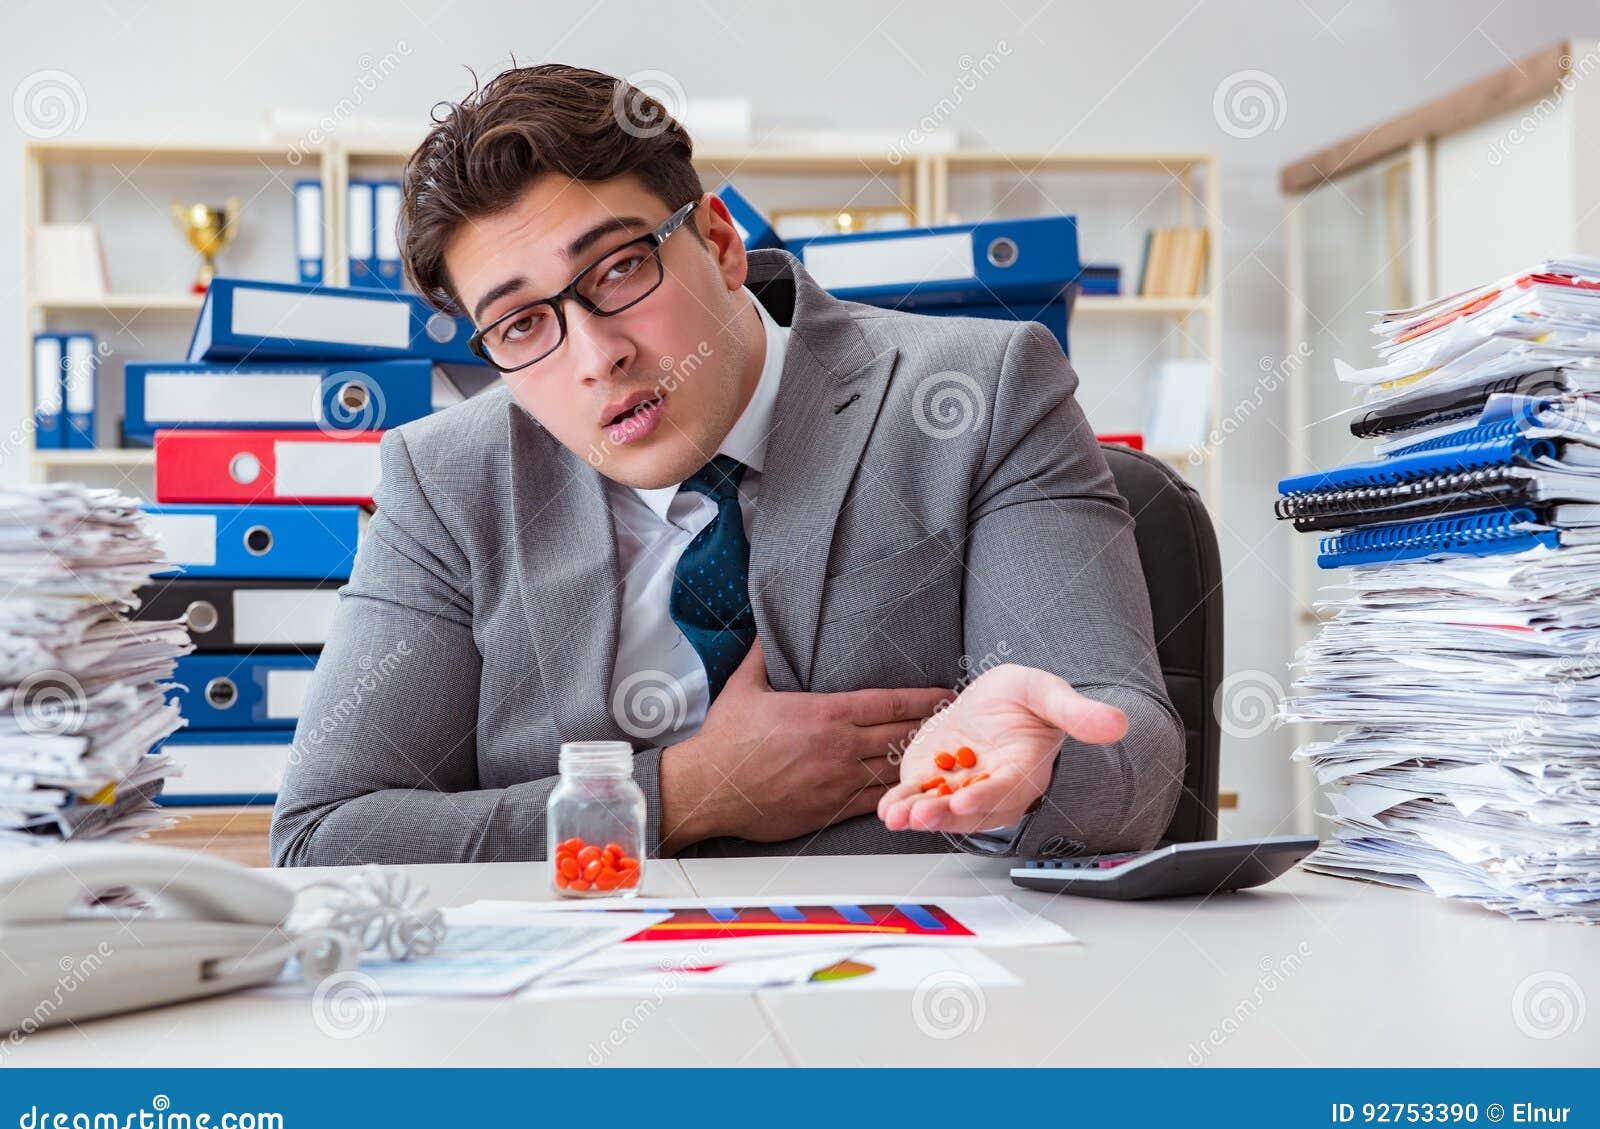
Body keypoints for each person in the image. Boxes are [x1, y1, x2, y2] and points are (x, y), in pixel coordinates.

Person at [269, 63, 1185, 867]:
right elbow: (325, 836)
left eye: (620, 269)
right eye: (522, 324)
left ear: (717, 242)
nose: (596, 357)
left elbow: (1129, 757)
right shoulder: (447, 479)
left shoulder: (976, 394)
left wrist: (1030, 777)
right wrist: (684, 793)